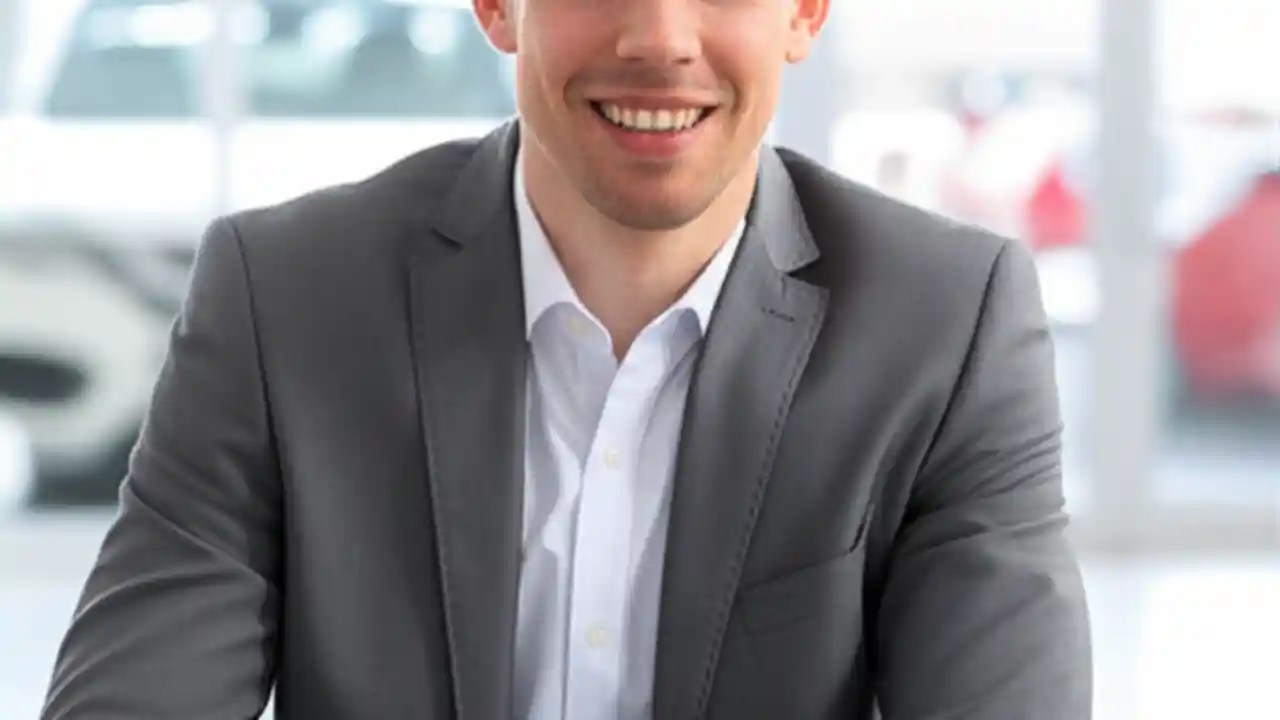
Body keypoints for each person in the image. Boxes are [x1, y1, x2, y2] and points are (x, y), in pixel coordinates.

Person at [42, 0, 1091, 717]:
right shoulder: (284, 300)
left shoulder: (945, 327)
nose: (659, 36)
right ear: (495, 3)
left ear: (805, 9)